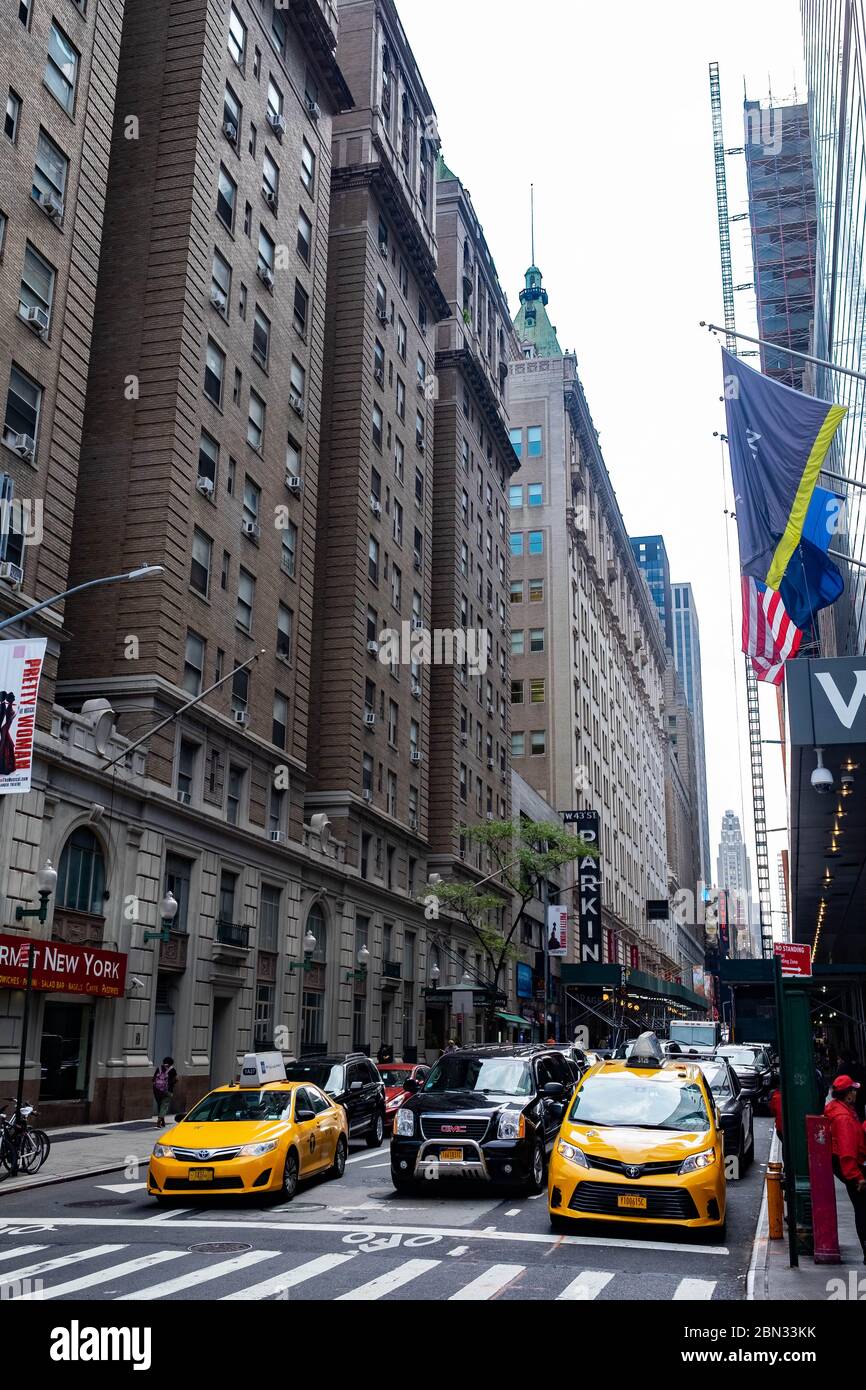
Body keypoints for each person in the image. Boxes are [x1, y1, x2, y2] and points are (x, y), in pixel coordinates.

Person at [824, 1074, 866, 1264]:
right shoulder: (843, 1118)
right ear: (848, 1094)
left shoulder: (839, 1110)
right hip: (853, 1168)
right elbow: (848, 1152)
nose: (856, 1093)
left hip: (851, 1165)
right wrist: (857, 1177)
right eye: (853, 1090)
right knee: (863, 1208)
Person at [153, 1056, 178, 1128]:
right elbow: (176, 1079)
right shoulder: (172, 1070)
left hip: (157, 1090)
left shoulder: (159, 1068)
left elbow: (153, 1079)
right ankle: (160, 1119)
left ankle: (162, 1121)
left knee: (159, 1105)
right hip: (168, 1090)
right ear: (171, 1063)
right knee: (164, 1106)